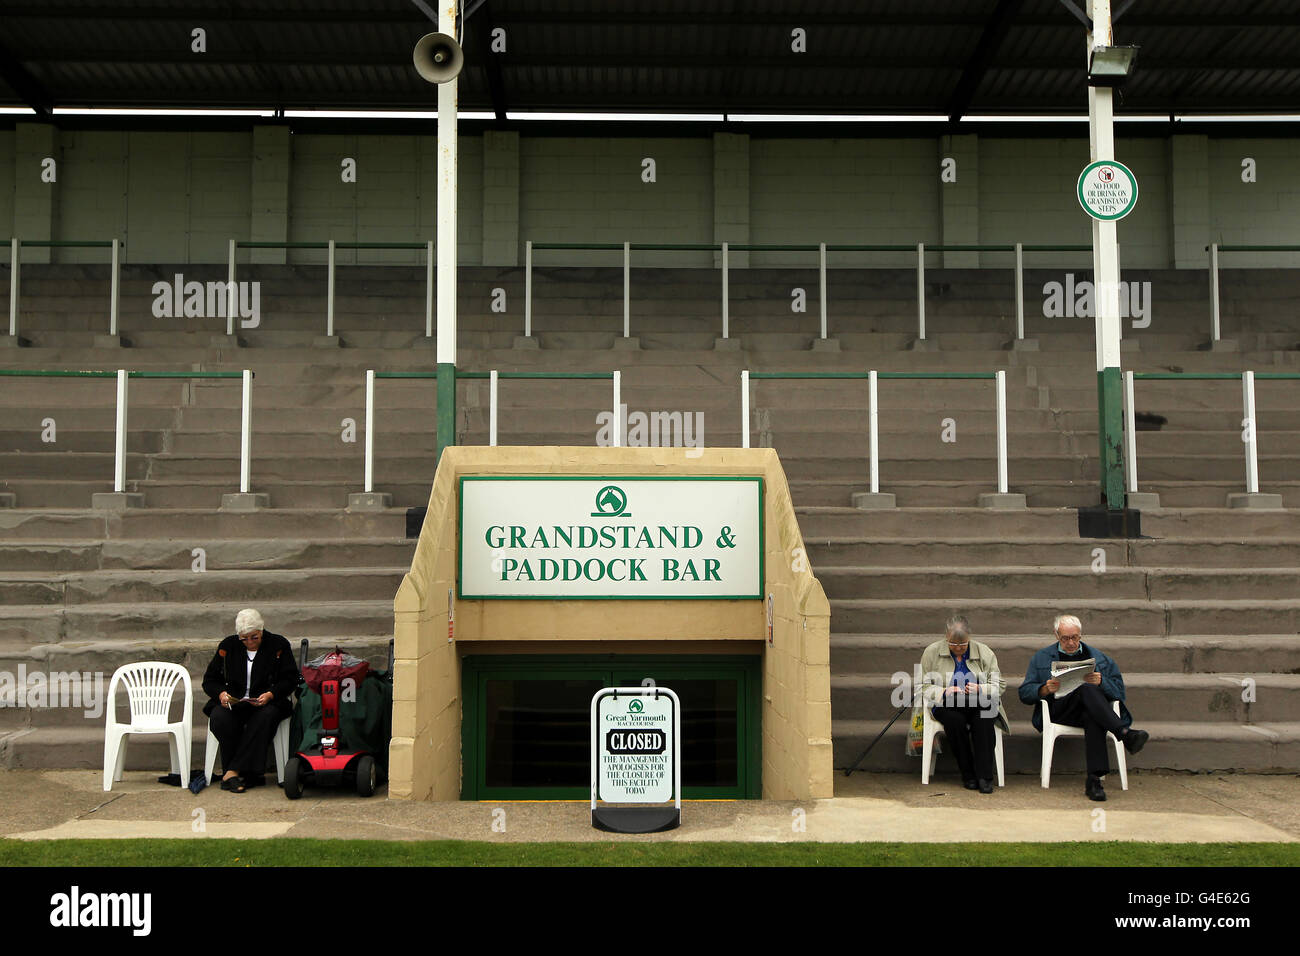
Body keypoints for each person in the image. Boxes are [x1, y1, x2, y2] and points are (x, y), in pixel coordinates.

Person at [1019, 613, 1149, 802]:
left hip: (1093, 711)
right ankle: (1124, 733)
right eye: (1065, 638)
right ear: (1056, 635)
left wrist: (1102, 681)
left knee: (1092, 711)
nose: (1070, 643)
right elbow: (1024, 693)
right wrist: (1044, 689)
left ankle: (1094, 781)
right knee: (1087, 690)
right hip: (1060, 711)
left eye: (1074, 637)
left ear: (1080, 635)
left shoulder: (1099, 658)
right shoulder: (1041, 658)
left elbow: (1120, 693)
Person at [202, 609, 299, 792]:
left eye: (254, 637)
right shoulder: (228, 646)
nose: (249, 642)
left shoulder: (278, 644)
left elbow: (290, 678)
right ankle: (246, 774)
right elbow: (210, 680)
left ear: (261, 631)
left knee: (264, 718)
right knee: (220, 718)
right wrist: (221, 695)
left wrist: (271, 694)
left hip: (267, 702)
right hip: (236, 701)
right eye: (244, 638)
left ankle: (232, 772)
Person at [919, 614, 1008, 794]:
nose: (958, 648)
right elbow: (922, 685)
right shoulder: (932, 652)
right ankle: (968, 774)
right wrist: (944, 691)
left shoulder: (984, 652)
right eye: (953, 644)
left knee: (985, 716)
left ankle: (984, 777)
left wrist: (981, 688)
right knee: (954, 721)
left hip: (977, 701)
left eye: (963, 644)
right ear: (946, 637)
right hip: (947, 704)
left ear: (969, 638)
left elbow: (999, 685)